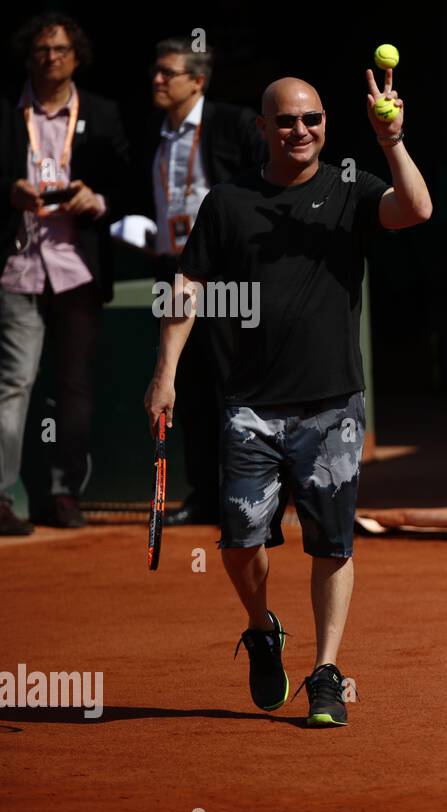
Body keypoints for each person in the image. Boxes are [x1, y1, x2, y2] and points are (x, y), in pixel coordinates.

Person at [143, 70, 432, 725]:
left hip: (333, 406)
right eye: (286, 121)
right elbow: (187, 286)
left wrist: (392, 139)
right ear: (262, 129)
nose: (300, 131)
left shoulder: (351, 188)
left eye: (313, 119)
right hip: (248, 404)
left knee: (332, 543)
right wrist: (166, 371)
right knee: (242, 543)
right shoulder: (228, 202)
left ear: (326, 123)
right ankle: (262, 628)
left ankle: (326, 670)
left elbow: (415, 211)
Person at [0, 13, 129, 533]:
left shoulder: (102, 114)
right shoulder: (6, 114)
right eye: (41, 50)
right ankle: (3, 498)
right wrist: (8, 193)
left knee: (73, 388)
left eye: (60, 49)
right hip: (18, 266)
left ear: (77, 55)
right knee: (14, 383)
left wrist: (93, 198)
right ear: (28, 57)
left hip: (77, 269)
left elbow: (131, 185)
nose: (50, 57)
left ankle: (63, 495)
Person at [147, 37, 265, 526]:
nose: (156, 80)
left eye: (167, 73)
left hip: (221, 272)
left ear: (198, 80)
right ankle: (203, 495)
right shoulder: (157, 133)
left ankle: (243, 493)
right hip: (171, 268)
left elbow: (265, 180)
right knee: (185, 382)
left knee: (225, 380)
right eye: (155, 71)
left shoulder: (233, 123)